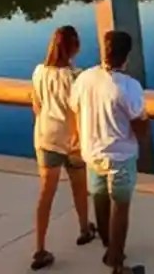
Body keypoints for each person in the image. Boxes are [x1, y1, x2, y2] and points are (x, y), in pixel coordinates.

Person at [70, 30, 149, 274]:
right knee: (120, 207)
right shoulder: (129, 87)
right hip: (119, 156)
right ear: (126, 56)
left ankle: (108, 243)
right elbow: (140, 125)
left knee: (100, 198)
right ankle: (116, 263)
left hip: (92, 153)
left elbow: (75, 109)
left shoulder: (84, 78)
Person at [29, 26, 97, 271]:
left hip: (46, 137)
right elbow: (82, 112)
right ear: (74, 47)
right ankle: (83, 228)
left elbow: (35, 105)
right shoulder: (76, 77)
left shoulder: (38, 72)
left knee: (45, 195)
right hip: (72, 140)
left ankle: (39, 248)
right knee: (79, 188)